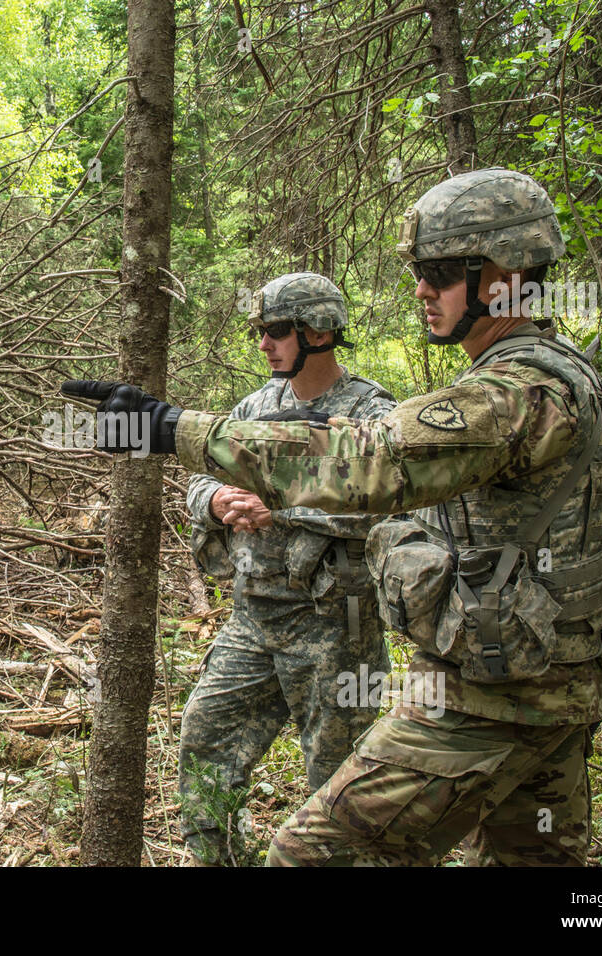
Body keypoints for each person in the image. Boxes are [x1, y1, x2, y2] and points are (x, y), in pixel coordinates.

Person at [63, 167, 602, 865]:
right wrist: (211, 493)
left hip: (495, 695)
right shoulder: (553, 370)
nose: (422, 288)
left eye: (443, 271)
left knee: (312, 854)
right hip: (537, 678)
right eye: (421, 270)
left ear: (505, 275)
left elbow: (376, 460)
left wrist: (172, 427)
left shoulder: (521, 391)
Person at [180, 273, 396, 865]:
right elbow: (202, 475)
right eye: (260, 332)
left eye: (277, 330)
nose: (264, 344)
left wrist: (281, 506)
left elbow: (391, 508)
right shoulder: (255, 406)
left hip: (335, 626)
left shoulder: (372, 414)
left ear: (320, 331)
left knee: (338, 782)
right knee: (204, 742)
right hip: (252, 620)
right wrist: (218, 502)